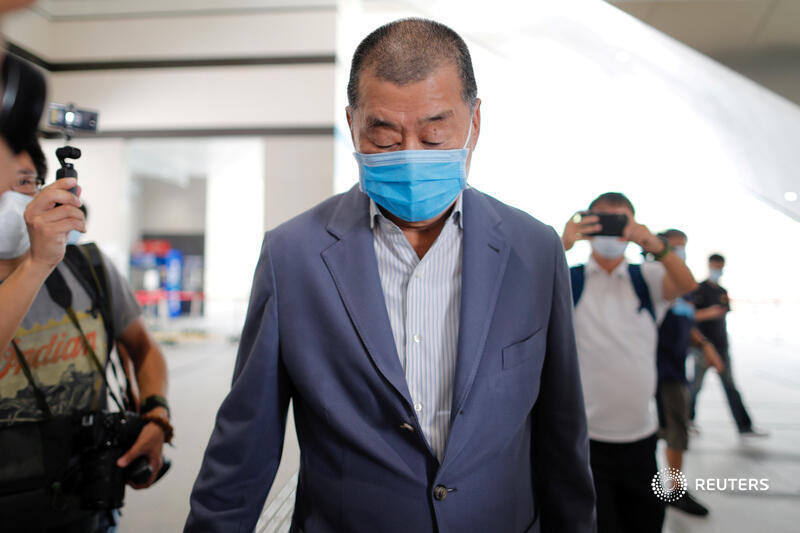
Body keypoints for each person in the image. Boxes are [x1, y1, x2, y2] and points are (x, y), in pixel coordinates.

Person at [187, 18, 596, 533]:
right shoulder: (293, 256)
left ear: (474, 121)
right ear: (353, 124)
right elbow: (245, 443)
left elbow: (562, 434)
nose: (410, 157)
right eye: (383, 137)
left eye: (434, 134)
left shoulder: (534, 250)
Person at [1, 139, 172, 532]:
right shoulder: (43, 265)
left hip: (88, 507)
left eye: (26, 182)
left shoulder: (88, 267)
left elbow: (144, 349)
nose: (10, 197)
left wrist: (157, 415)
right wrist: (38, 263)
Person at [562, 193, 698, 533]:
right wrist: (560, 243)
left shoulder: (647, 278)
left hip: (641, 436)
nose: (610, 231)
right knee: (597, 524)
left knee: (646, 521)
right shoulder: (569, 278)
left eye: (620, 222)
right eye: (601, 221)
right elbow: (521, 284)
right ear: (587, 226)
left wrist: (655, 244)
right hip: (586, 439)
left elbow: (686, 284)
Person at [654, 229, 723, 517]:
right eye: (674, 247)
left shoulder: (684, 285)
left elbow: (686, 319)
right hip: (651, 368)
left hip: (674, 368)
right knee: (656, 431)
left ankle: (675, 490)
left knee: (677, 432)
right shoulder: (650, 277)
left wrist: (705, 345)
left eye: (683, 247)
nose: (679, 252)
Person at [689, 254, 767, 438]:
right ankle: (687, 421)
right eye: (715, 266)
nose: (718, 270)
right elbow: (689, 316)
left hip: (721, 346)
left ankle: (744, 426)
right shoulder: (698, 289)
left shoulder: (721, 291)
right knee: (695, 386)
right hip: (702, 346)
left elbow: (724, 314)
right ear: (709, 266)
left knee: (730, 385)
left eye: (720, 267)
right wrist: (708, 314)